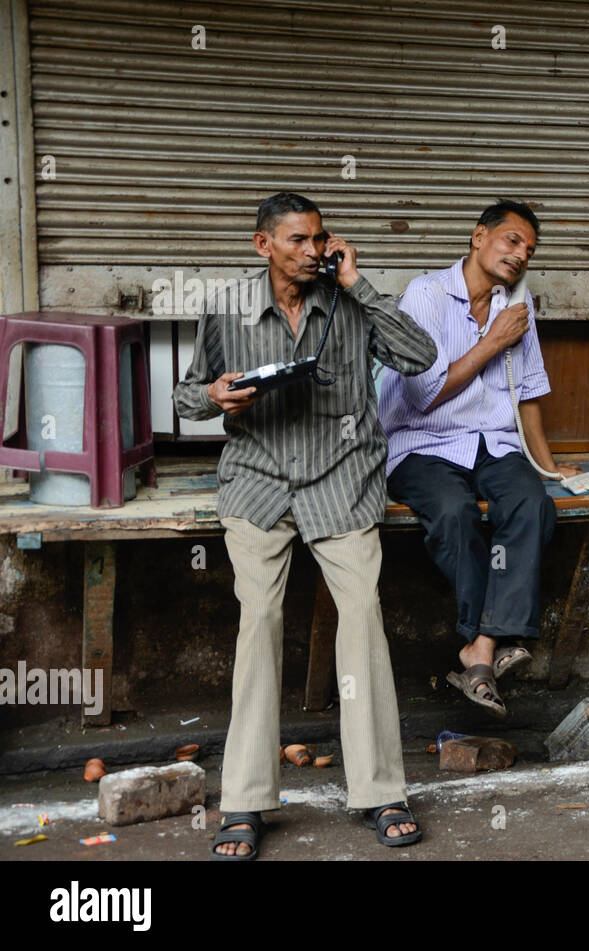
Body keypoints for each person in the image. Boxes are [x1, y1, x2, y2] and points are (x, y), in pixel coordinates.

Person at [175, 192, 438, 858]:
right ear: (263, 245)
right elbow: (186, 392)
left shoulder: (348, 298)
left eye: (319, 239)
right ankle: (245, 798)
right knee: (258, 621)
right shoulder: (230, 304)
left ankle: (381, 789)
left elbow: (419, 356)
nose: (313, 250)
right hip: (258, 482)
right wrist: (212, 397)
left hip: (341, 482)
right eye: (297, 240)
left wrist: (361, 284)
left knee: (362, 617)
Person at [379, 200, 579, 719]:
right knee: (453, 511)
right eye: (512, 240)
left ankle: (480, 646)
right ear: (478, 237)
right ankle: (492, 638)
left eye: (529, 250)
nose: (520, 255)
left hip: (491, 443)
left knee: (534, 506)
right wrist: (492, 342)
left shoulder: (517, 302)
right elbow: (425, 394)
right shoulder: (425, 295)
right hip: (421, 442)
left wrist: (549, 466)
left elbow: (529, 394)